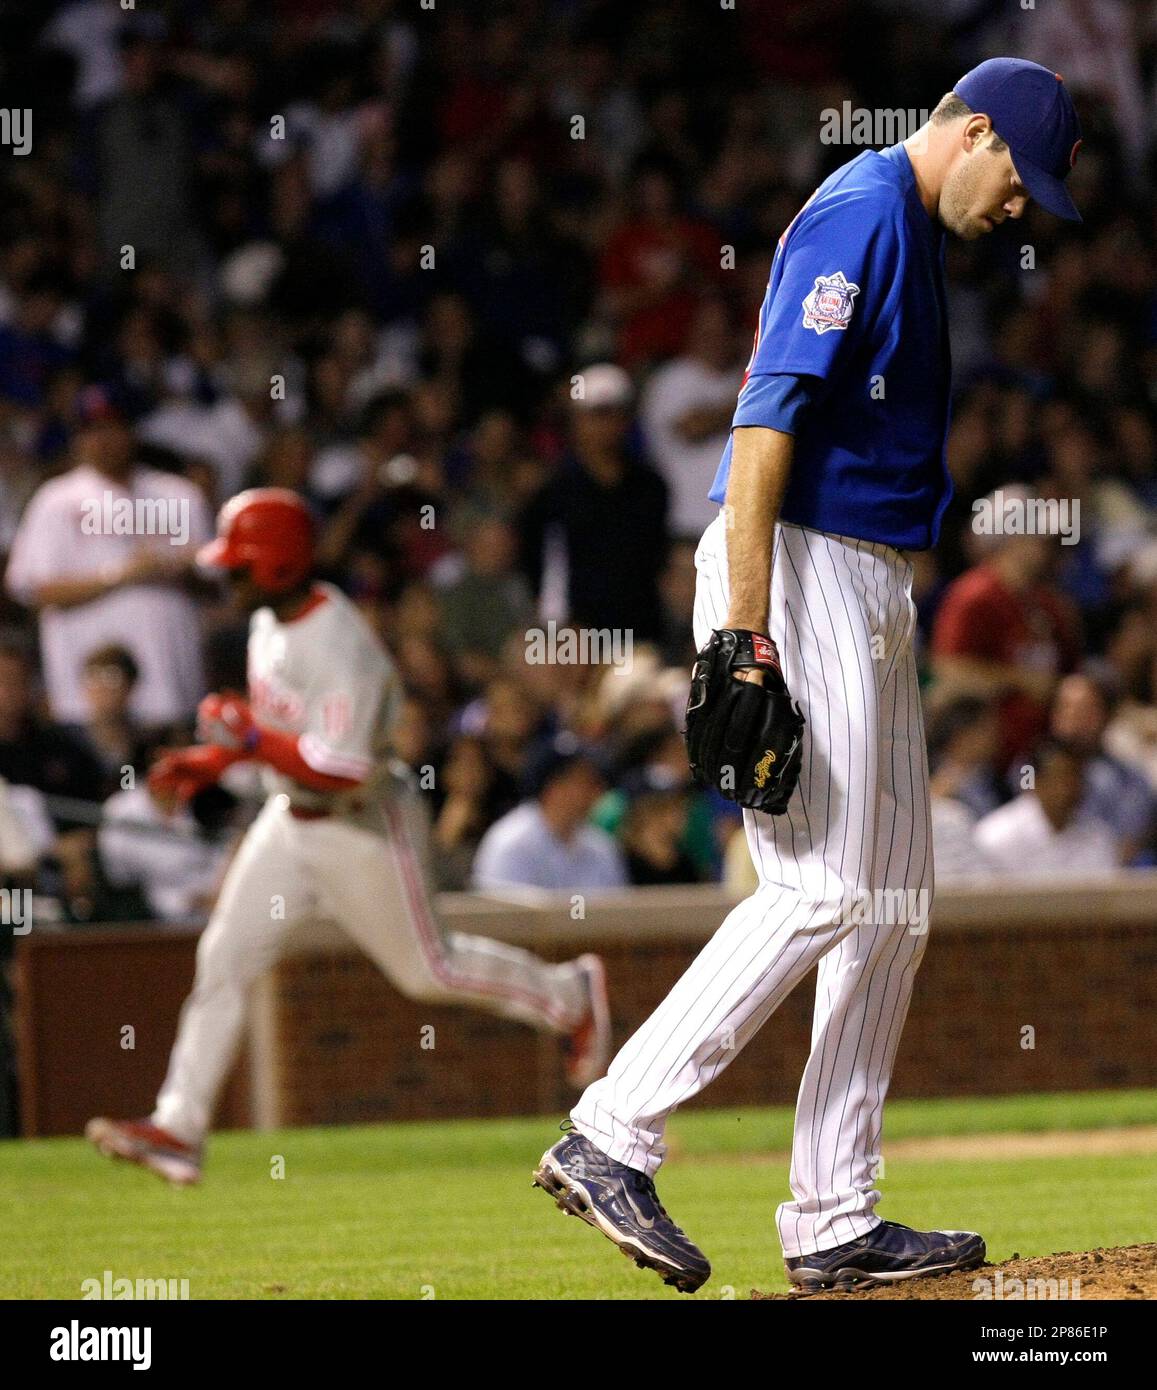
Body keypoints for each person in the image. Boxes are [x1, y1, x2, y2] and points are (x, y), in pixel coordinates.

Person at [535, 59, 1083, 1294]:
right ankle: (610, 1133)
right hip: (796, 564)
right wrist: (742, 632)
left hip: (866, 578)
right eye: (1019, 177)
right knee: (829, 884)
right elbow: (762, 423)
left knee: (891, 901)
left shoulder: (904, 231)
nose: (1021, 208)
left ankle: (833, 1214)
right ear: (974, 130)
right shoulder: (863, 211)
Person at [86, 489, 610, 1185]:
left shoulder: (338, 642)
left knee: (429, 972)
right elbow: (287, 741)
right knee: (223, 957)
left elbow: (343, 769)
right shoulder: (268, 622)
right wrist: (216, 760)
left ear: (275, 565)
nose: (228, 578)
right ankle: (179, 1126)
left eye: (239, 565)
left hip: (361, 821)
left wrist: (248, 739)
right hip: (288, 818)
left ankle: (569, 994)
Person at [4, 386, 213, 726]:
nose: (103, 439)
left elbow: (219, 586)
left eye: (112, 427)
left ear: (131, 430)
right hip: (86, 701)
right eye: (90, 430)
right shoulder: (56, 500)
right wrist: (122, 574)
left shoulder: (179, 494)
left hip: (174, 684)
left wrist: (179, 570)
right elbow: (34, 590)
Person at [472, 735, 627, 893]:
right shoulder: (511, 842)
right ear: (552, 787)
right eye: (585, 782)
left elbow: (615, 913)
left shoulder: (601, 847)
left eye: (596, 783)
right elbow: (501, 914)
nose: (595, 791)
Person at [973, 738, 1118, 877]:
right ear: (1035, 781)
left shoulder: (1098, 837)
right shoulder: (995, 837)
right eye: (1060, 777)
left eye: (1077, 778)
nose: (1070, 788)